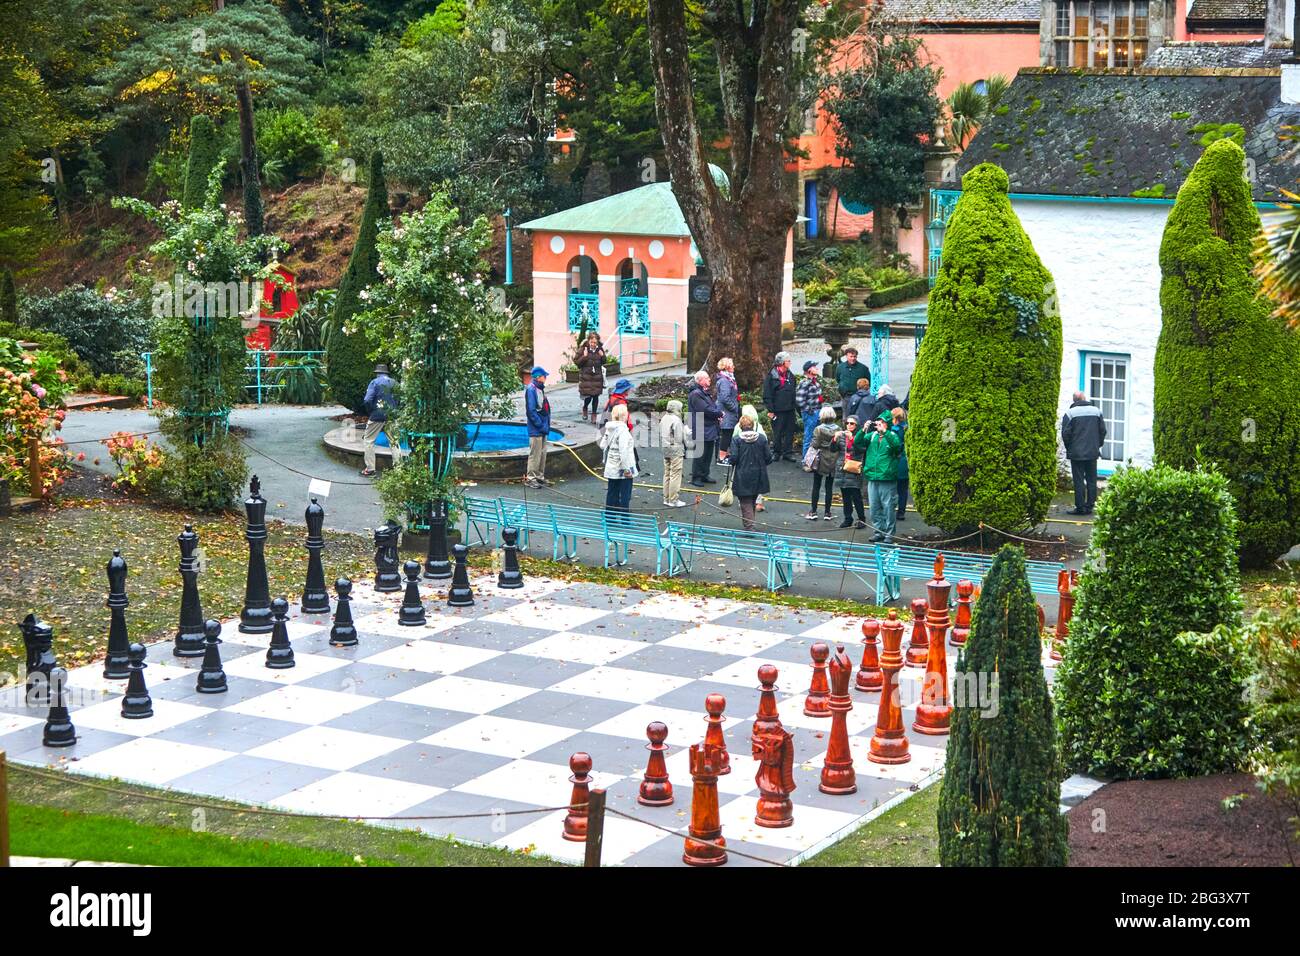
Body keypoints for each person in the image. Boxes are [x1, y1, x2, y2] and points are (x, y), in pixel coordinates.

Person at [1061, 390, 1107, 515]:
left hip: (1076, 453)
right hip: (1092, 452)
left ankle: (1080, 507)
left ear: (1074, 400)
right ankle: (1090, 506)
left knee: (1079, 480)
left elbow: (1065, 434)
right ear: (1084, 398)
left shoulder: (1070, 414)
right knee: (1092, 479)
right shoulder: (1096, 411)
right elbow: (1102, 431)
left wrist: (1069, 448)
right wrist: (1098, 445)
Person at [863, 411, 903, 542]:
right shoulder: (873, 435)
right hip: (873, 476)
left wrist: (885, 432)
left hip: (887, 477)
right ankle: (878, 532)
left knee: (888, 507)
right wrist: (862, 430)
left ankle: (889, 534)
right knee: (874, 507)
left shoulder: (892, 435)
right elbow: (858, 443)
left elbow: (897, 447)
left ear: (887, 424)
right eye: (878, 421)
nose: (879, 424)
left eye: (882, 422)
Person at [729, 414, 773, 531]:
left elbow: (734, 458)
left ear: (740, 426)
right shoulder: (762, 438)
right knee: (753, 498)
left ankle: (749, 526)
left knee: (745, 500)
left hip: (742, 473)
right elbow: (768, 457)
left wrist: (730, 460)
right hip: (759, 472)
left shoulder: (737, 440)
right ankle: (751, 522)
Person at [360, 362, 401, 477]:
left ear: (377, 373)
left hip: (377, 416)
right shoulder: (394, 383)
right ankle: (399, 469)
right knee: (394, 441)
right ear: (386, 373)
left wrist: (371, 411)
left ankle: (370, 469)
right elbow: (400, 398)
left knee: (368, 440)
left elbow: (367, 400)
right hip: (391, 415)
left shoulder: (374, 383)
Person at [687, 370, 723, 486]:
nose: (709, 380)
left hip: (708, 427)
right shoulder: (696, 394)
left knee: (708, 453)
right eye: (707, 378)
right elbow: (705, 409)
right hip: (700, 427)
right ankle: (696, 477)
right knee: (700, 454)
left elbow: (711, 407)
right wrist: (719, 414)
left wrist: (717, 413)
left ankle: (704, 474)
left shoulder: (703, 392)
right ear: (700, 381)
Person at [600, 404, 637, 517]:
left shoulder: (609, 428)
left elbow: (602, 445)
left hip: (611, 465)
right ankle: (625, 518)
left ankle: (610, 517)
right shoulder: (623, 431)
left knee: (612, 492)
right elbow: (624, 452)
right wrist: (626, 469)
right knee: (625, 493)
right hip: (623, 467)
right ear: (624, 415)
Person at [762, 351, 798, 462]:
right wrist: (770, 410)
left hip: (790, 409)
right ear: (782, 362)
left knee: (790, 431)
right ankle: (776, 452)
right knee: (777, 432)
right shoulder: (772, 376)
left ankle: (788, 452)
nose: (790, 362)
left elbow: (793, 390)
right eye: (788, 361)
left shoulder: (790, 375)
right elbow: (767, 394)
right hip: (777, 410)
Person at [806, 406, 840, 521]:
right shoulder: (838, 429)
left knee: (816, 485)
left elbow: (815, 445)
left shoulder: (818, 429)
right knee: (829, 487)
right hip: (832, 459)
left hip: (820, 459)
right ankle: (827, 512)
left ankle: (813, 511)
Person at [835, 415, 868, 528]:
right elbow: (833, 449)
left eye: (852, 423)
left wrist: (852, 439)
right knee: (845, 495)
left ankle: (861, 519)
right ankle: (848, 518)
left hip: (854, 468)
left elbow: (862, 449)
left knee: (856, 495)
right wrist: (834, 439)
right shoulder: (842, 436)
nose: (849, 425)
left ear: (857, 425)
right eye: (847, 423)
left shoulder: (860, 436)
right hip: (842, 468)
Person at [735, 403, 769, 512]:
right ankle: (758, 503)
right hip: (758, 462)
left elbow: (734, 444)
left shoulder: (738, 428)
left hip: (743, 462)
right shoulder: (759, 427)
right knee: (757, 483)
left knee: (743, 483)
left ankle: (744, 504)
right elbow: (766, 443)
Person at [524, 366, 551, 488]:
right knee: (535, 454)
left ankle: (540, 476)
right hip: (537, 427)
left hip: (543, 425)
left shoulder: (540, 388)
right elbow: (531, 411)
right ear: (539, 377)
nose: (545, 378)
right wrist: (540, 425)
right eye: (544, 376)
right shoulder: (531, 389)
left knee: (542, 452)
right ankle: (531, 478)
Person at [659, 398, 690, 508]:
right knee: (675, 474)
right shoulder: (676, 420)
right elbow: (679, 437)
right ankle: (673, 500)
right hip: (675, 449)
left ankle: (666, 498)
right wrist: (686, 432)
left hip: (665, 448)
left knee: (667, 473)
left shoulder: (664, 418)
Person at [715, 357, 741, 465]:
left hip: (728, 411)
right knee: (726, 434)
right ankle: (721, 457)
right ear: (727, 367)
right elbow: (725, 398)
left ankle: (725, 454)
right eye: (732, 364)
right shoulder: (724, 381)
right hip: (727, 412)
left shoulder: (728, 379)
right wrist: (735, 408)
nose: (734, 366)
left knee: (728, 433)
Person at [575, 332, 606, 423]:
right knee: (588, 396)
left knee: (596, 396)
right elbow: (577, 362)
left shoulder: (600, 349)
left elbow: (604, 361)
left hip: (597, 377)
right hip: (586, 377)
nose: (593, 344)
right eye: (591, 342)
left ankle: (594, 414)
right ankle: (585, 408)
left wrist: (602, 356)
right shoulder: (583, 349)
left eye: (595, 343)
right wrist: (584, 357)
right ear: (588, 341)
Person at [796, 360, 824, 458]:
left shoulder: (815, 381)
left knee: (816, 437)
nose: (817, 368)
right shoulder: (805, 383)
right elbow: (799, 400)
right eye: (814, 367)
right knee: (808, 437)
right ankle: (806, 461)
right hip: (810, 413)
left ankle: (814, 460)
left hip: (818, 411)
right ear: (809, 370)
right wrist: (810, 410)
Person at [891, 406, 909, 521]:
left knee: (891, 488)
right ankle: (901, 512)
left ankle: (891, 509)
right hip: (905, 461)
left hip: (895, 461)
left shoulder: (893, 430)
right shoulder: (907, 428)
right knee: (903, 489)